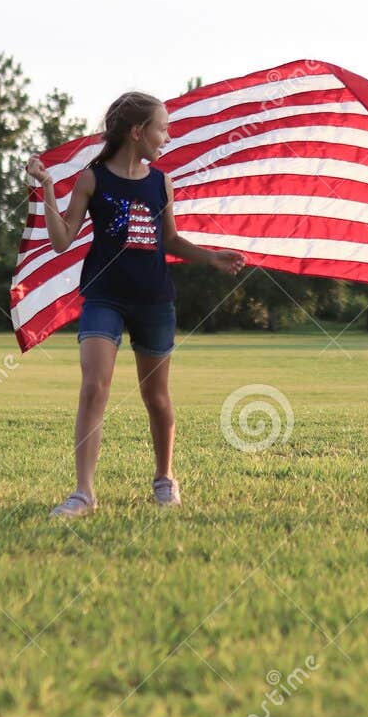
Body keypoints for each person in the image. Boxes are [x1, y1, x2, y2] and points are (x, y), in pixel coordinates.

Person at [26, 92, 245, 518]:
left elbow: (171, 239)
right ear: (137, 131)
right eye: (162, 127)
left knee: (157, 397)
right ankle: (84, 493)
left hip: (154, 301)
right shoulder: (92, 179)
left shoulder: (159, 181)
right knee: (94, 388)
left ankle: (164, 478)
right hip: (104, 297)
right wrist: (49, 188)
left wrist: (210, 257)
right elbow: (60, 239)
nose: (167, 135)